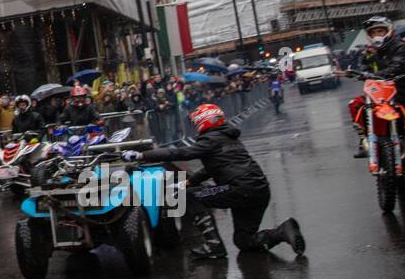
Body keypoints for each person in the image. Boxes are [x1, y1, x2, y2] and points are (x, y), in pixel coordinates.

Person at [123, 104, 305, 259]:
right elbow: (212, 168)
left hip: (237, 189)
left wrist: (142, 154)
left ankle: (214, 245)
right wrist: (190, 182)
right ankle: (283, 231)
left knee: (186, 197)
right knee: (243, 241)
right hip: (259, 190)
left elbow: (180, 153)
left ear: (204, 121)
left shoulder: (211, 139)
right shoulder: (228, 137)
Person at [346, 15, 405, 183]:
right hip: (381, 95)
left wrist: (374, 74)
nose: (377, 34)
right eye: (374, 31)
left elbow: (397, 65)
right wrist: (363, 66)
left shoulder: (400, 47)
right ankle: (365, 139)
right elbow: (364, 67)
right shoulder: (372, 50)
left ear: (389, 31)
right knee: (356, 104)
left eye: (380, 30)